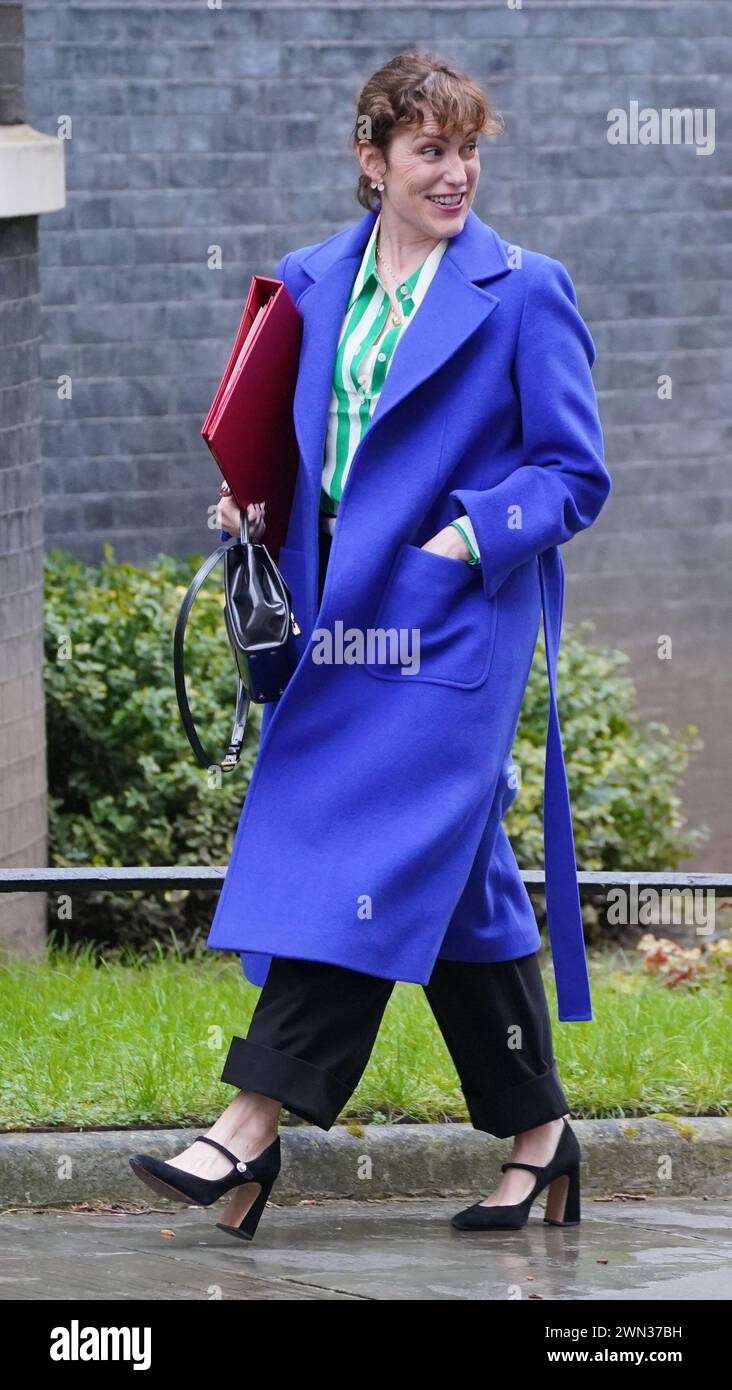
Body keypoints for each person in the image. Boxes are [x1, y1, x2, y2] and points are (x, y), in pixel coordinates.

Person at [130, 51, 611, 1239]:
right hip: (332, 623)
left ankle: (247, 1124)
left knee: (362, 860)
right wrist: (257, 506)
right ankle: (542, 1137)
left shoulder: (524, 289)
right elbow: (299, 447)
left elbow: (572, 475)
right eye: (429, 152)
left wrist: (465, 542)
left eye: (468, 150)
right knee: (449, 881)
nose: (458, 174)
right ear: (373, 160)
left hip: (447, 628)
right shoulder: (307, 283)